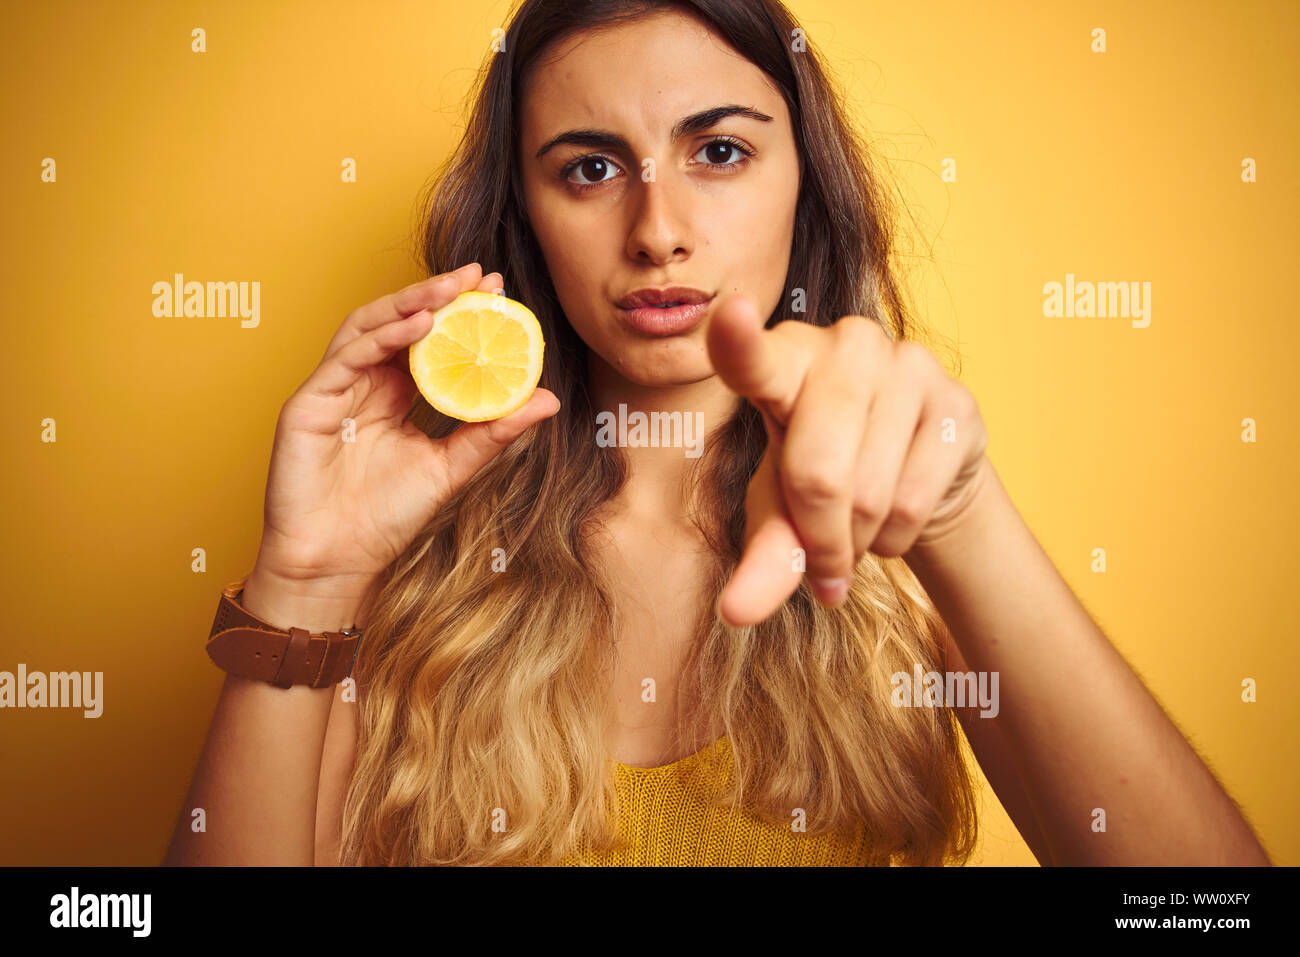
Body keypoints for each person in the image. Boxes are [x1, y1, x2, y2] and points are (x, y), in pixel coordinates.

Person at [164, 0, 1272, 867]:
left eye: (720, 153)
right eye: (590, 169)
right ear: (526, 218)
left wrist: (962, 515)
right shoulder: (411, 577)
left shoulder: (900, 544)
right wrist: (304, 580)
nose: (657, 232)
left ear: (807, 187)